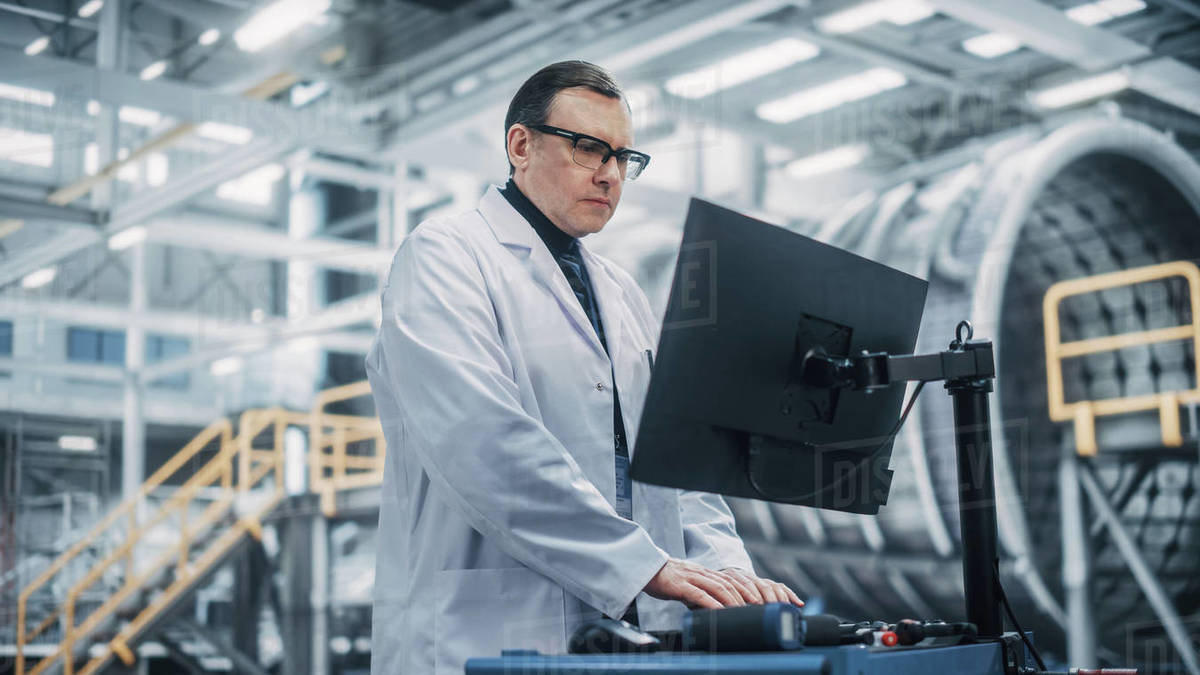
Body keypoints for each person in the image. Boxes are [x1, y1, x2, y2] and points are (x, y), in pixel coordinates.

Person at [366, 60, 803, 675]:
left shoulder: (620, 292)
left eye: (624, 157)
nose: (610, 174)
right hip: (483, 628)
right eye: (588, 148)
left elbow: (673, 460)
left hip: (626, 632)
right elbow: (480, 440)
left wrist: (727, 573)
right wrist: (641, 565)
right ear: (521, 146)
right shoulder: (444, 256)